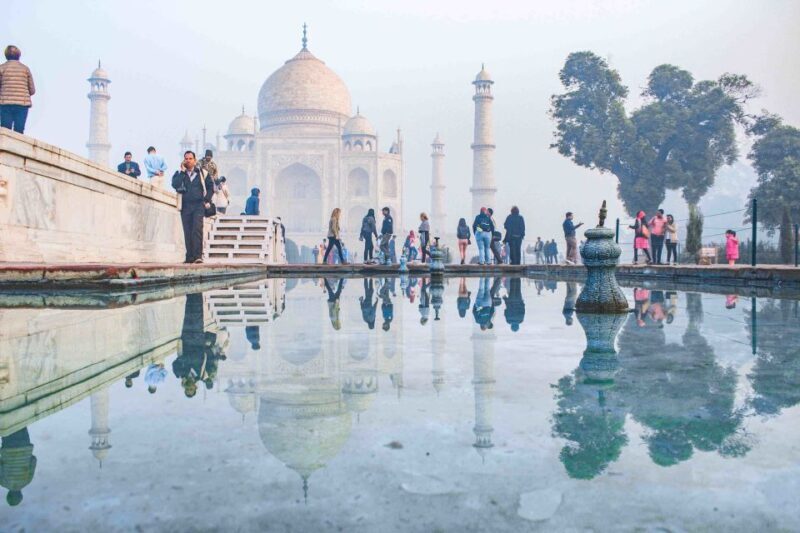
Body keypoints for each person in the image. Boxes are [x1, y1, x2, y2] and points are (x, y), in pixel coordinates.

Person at [171, 150, 214, 263]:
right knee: (187, 231)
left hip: (198, 205)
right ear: (183, 160)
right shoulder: (180, 174)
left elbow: (211, 187)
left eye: (190, 159)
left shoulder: (202, 173)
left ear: (195, 160)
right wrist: (182, 172)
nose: (188, 161)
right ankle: (189, 257)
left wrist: (207, 199)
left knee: (197, 230)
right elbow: (175, 184)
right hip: (185, 206)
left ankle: (198, 256)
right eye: (186, 159)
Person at [0, 45, 35, 134]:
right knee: (19, 130)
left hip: (5, 103)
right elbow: (32, 90)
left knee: (5, 130)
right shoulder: (25, 69)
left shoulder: (2, 68)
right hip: (22, 104)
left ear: (6, 55)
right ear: (19, 55)